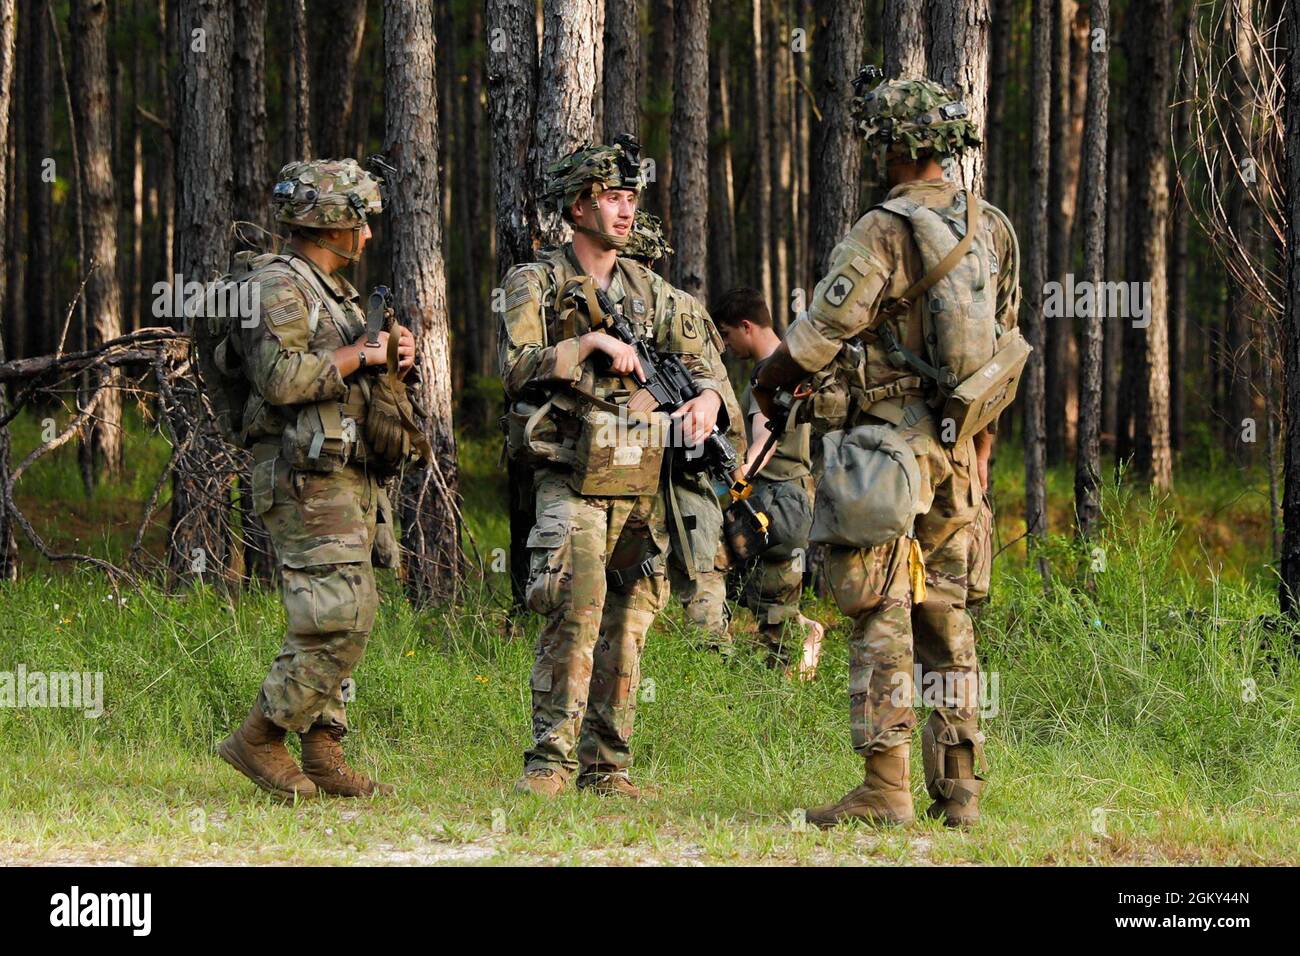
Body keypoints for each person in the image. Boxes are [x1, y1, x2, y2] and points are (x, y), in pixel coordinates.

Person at [751, 71, 1022, 828]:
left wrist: (768, 382)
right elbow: (1003, 345)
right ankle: (961, 794)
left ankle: (884, 787)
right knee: (948, 616)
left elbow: (818, 335)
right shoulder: (991, 225)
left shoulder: (883, 228)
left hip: (886, 445)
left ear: (891, 145)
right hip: (959, 449)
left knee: (877, 607)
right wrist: (979, 455)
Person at [498, 136, 738, 798]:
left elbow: (705, 366)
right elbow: (516, 368)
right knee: (574, 610)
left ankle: (608, 766)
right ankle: (548, 763)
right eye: (612, 198)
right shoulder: (535, 282)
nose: (626, 211)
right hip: (572, 473)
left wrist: (708, 403)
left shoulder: (650, 289)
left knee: (630, 621)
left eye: (631, 199)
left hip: (642, 479)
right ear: (578, 207)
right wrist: (587, 343)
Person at [217, 158, 417, 800]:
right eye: (360, 218)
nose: (367, 232)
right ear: (332, 222)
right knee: (338, 614)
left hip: (343, 472)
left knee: (342, 613)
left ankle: (323, 747)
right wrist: (362, 354)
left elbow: (350, 370)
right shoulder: (277, 285)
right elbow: (280, 380)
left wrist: (395, 356)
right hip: (301, 474)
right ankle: (260, 737)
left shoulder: (335, 293)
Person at [624, 209, 745, 655]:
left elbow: (718, 393)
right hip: (646, 465)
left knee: (701, 573)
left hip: (687, 464)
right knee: (656, 578)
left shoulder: (676, 308)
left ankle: (712, 667)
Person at [713, 287, 824, 678]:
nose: (727, 345)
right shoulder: (794, 365)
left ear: (746, 326)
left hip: (778, 500)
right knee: (766, 594)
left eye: (727, 335)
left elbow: (767, 439)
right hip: (788, 497)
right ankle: (802, 636)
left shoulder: (768, 375)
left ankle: (798, 650)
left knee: (764, 600)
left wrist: (737, 481)